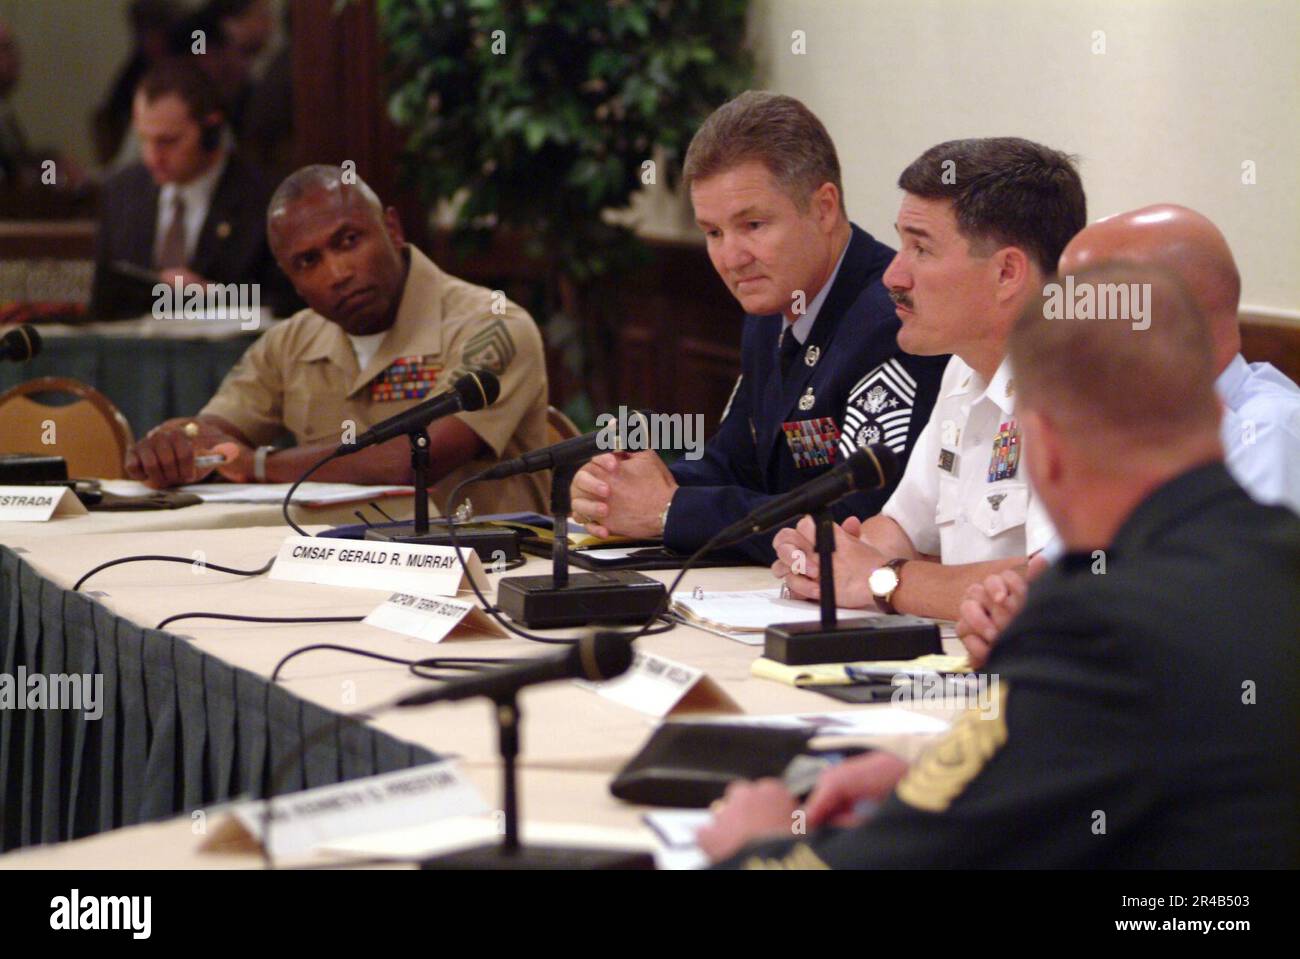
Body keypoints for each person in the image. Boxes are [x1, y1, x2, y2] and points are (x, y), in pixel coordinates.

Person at [698, 261, 1300, 868]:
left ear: (1048, 449)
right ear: (1219, 419)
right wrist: (933, 781)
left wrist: (758, 842)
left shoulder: (1095, 624)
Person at [570, 92, 948, 563]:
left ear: (824, 208)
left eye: (752, 224)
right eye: (713, 233)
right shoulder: (769, 312)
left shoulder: (893, 322)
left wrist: (669, 510)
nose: (731, 258)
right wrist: (624, 491)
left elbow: (854, 520)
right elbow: (735, 464)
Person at [957, 203, 1300, 667]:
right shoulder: (1125, 427)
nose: (1059, 325)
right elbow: (1060, 577)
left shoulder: (1270, 429)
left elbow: (1224, 625)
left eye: (1083, 303)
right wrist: (1004, 607)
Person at [771, 137, 1087, 620]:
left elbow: (1056, 584)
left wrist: (884, 581)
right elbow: (901, 528)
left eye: (921, 248)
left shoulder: (1086, 388)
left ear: (1006, 272)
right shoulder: (964, 367)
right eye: (901, 243)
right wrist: (827, 558)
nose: (893, 275)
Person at [123, 165, 550, 517]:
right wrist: (175, 442)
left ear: (393, 229)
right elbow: (214, 430)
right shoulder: (288, 342)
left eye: (348, 241)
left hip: (483, 574)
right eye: (309, 261)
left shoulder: (493, 326)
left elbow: (413, 459)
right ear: (292, 281)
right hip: (329, 563)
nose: (338, 273)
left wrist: (256, 465)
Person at [89, 57, 298, 319]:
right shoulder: (121, 192)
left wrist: (215, 297)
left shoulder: (265, 197)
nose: (152, 157)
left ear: (211, 131)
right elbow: (104, 295)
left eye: (168, 141)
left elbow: (289, 302)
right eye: (144, 139)